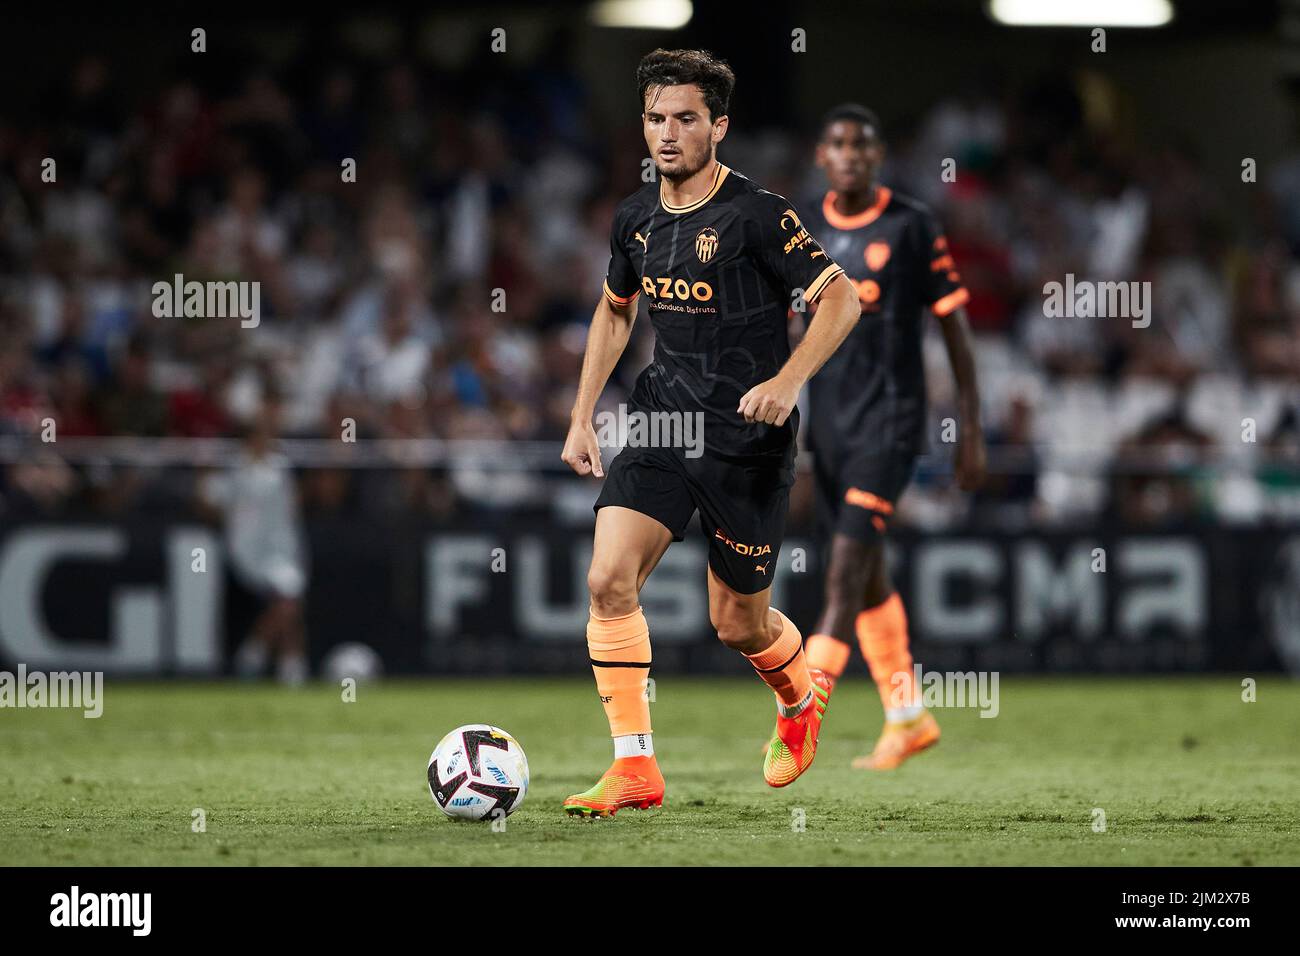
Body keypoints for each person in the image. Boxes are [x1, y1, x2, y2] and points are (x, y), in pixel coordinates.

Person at [559, 50, 862, 816]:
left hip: (747, 442)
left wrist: (788, 381)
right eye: (657, 118)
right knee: (606, 581)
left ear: (718, 127)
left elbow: (843, 300)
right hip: (663, 420)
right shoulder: (634, 217)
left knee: (738, 623)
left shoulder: (758, 214)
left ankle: (799, 701)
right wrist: (582, 413)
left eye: (686, 118)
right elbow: (617, 308)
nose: (668, 133)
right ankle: (635, 768)